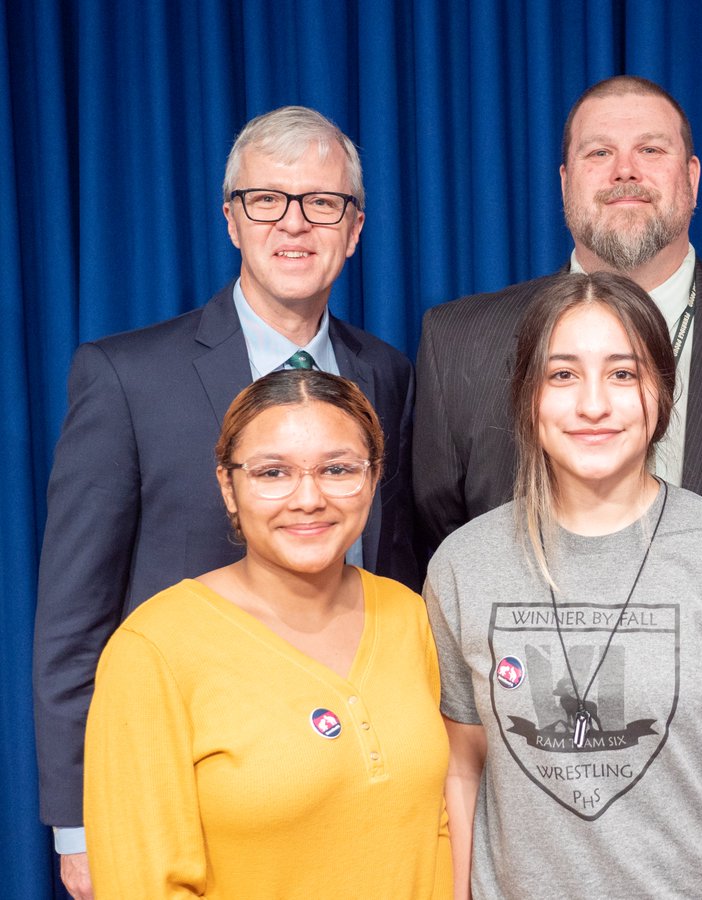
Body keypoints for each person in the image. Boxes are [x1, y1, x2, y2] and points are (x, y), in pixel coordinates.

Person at [33, 105, 421, 899]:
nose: (294, 223)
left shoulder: (386, 372)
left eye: (322, 203)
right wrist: (81, 825)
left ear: (354, 230)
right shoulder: (127, 376)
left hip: (353, 785)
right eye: (266, 199)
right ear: (232, 220)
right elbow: (73, 617)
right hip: (192, 783)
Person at [425, 271, 702, 899]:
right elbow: (462, 770)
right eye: (562, 375)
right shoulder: (462, 566)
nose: (593, 405)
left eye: (623, 374)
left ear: (662, 391)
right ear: (527, 396)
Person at [415, 75, 702, 548]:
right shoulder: (457, 342)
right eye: (599, 153)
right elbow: (437, 548)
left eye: (650, 150)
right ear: (565, 183)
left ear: (692, 178)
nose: (625, 171)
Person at [84, 370, 450, 897]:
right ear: (228, 487)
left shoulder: (407, 613)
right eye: (273, 472)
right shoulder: (153, 649)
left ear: (373, 479)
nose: (308, 498)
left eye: (338, 469)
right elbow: (142, 884)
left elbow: (436, 827)